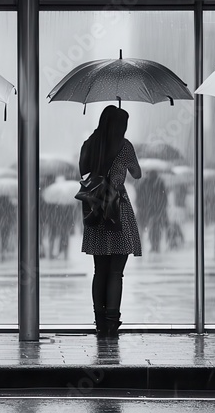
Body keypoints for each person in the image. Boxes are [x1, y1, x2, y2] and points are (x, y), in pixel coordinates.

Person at [79, 105, 142, 338]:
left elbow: (82, 171)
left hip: (95, 209)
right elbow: (137, 173)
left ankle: (99, 321)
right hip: (117, 210)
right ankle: (112, 322)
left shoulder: (89, 144)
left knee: (99, 270)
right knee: (116, 272)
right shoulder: (124, 146)